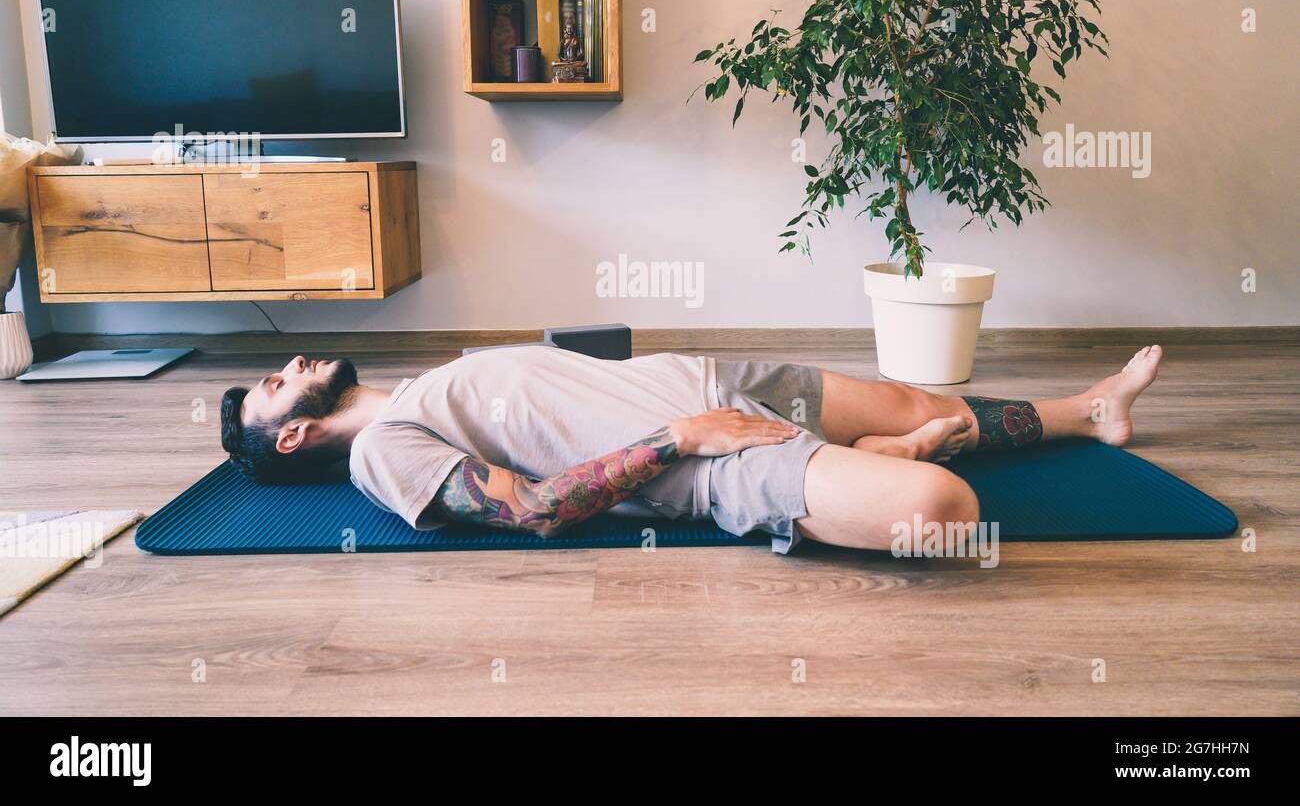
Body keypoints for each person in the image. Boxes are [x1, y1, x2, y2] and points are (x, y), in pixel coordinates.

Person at [220, 344, 1163, 553]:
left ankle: (1091, 410)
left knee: (921, 394)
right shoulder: (376, 451)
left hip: (713, 378)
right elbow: (530, 509)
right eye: (275, 385)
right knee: (943, 521)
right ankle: (907, 460)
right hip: (709, 458)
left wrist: (685, 395)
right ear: (294, 432)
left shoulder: (424, 381)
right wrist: (679, 439)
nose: (291, 364)